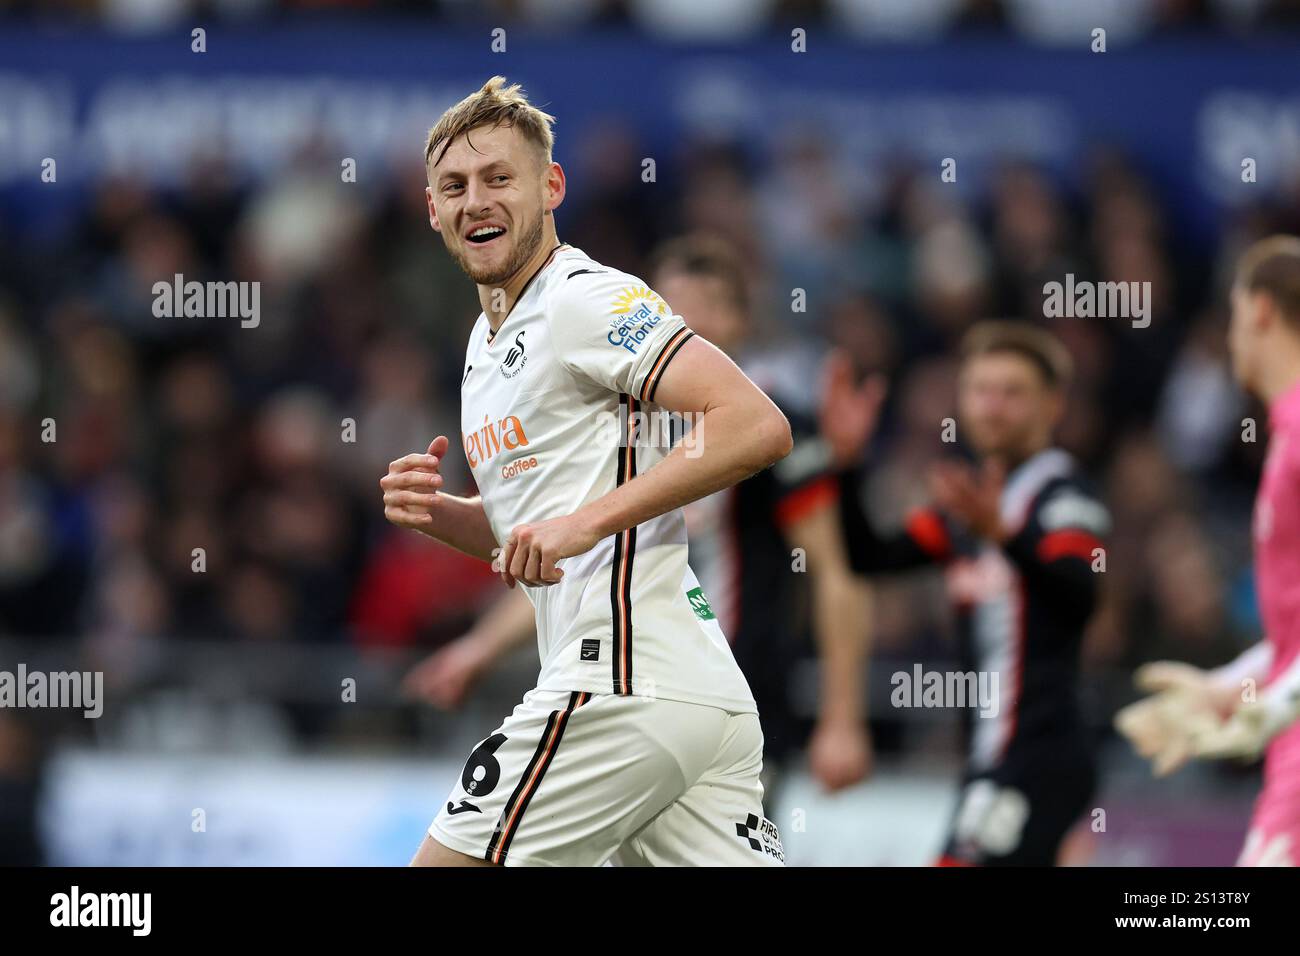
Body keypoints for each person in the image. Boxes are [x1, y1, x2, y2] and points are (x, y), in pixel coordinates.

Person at [383, 76, 792, 867]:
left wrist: (589, 521)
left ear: (551, 186)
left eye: (500, 178)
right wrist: (445, 515)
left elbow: (754, 423)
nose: (477, 201)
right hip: (693, 697)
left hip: (623, 680)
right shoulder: (485, 342)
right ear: (432, 209)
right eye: (454, 186)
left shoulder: (583, 299)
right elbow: (530, 539)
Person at [406, 236, 877, 800]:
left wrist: (843, 718)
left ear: (738, 320)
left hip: (733, 685)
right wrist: (478, 648)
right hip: (634, 681)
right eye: (669, 299)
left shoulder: (770, 419)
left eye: (705, 302)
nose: (685, 315)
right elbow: (571, 549)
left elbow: (836, 575)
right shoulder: (623, 420)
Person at [839, 321, 1108, 866]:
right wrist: (846, 466)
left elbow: (1080, 594)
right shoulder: (968, 509)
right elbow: (869, 558)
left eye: (1012, 392)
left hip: (1041, 754)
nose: (993, 406)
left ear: (1052, 405)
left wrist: (1007, 536)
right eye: (981, 390)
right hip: (991, 758)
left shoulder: (1063, 496)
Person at [1116, 235, 1300, 867]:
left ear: (1260, 313)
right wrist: (1228, 691)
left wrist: (1274, 704)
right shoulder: (1285, 436)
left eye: (1234, 317)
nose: (1230, 339)